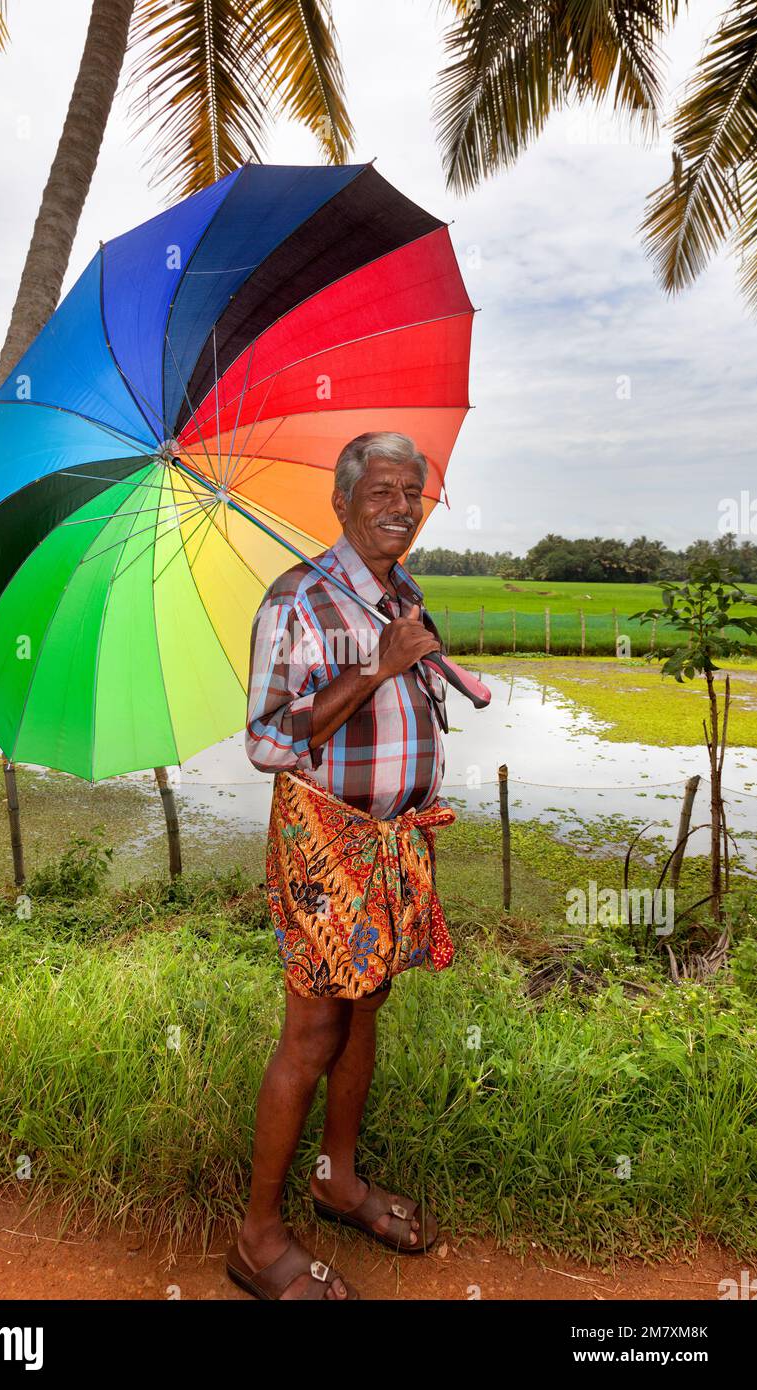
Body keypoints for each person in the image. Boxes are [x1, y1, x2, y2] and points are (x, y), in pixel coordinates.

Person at [225, 431, 458, 1302]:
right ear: (343, 499)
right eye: (383, 492)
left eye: (414, 493)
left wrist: (421, 657)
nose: (401, 507)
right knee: (314, 1030)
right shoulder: (299, 601)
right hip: (328, 840)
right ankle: (255, 1240)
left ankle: (338, 1180)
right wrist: (379, 664)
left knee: (366, 1008)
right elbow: (267, 739)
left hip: (394, 842)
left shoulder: (402, 594)